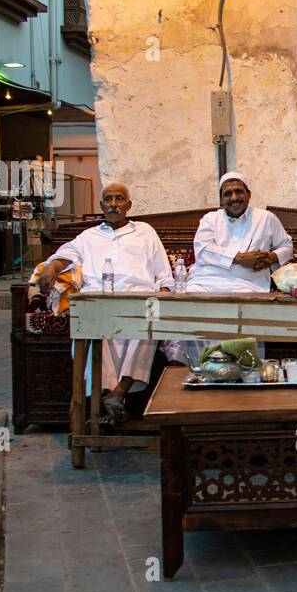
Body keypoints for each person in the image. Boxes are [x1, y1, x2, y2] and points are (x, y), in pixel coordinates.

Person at [35, 182, 173, 426]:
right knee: (88, 329)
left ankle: (116, 394)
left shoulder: (144, 232)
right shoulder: (89, 236)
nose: (113, 204)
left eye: (119, 199)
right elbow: (65, 255)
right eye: (108, 199)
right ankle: (111, 400)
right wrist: (51, 268)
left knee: (150, 326)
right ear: (101, 206)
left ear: (128, 205)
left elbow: (163, 272)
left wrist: (163, 292)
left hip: (138, 300)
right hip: (98, 301)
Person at [163, 172, 293, 366]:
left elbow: (287, 245)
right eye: (228, 193)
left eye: (239, 192)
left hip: (247, 283)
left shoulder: (266, 218)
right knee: (186, 305)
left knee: (243, 310)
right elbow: (203, 249)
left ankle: (239, 369)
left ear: (249, 194)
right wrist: (239, 257)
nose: (234, 198)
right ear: (221, 199)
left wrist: (271, 258)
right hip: (205, 281)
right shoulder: (210, 219)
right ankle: (188, 367)